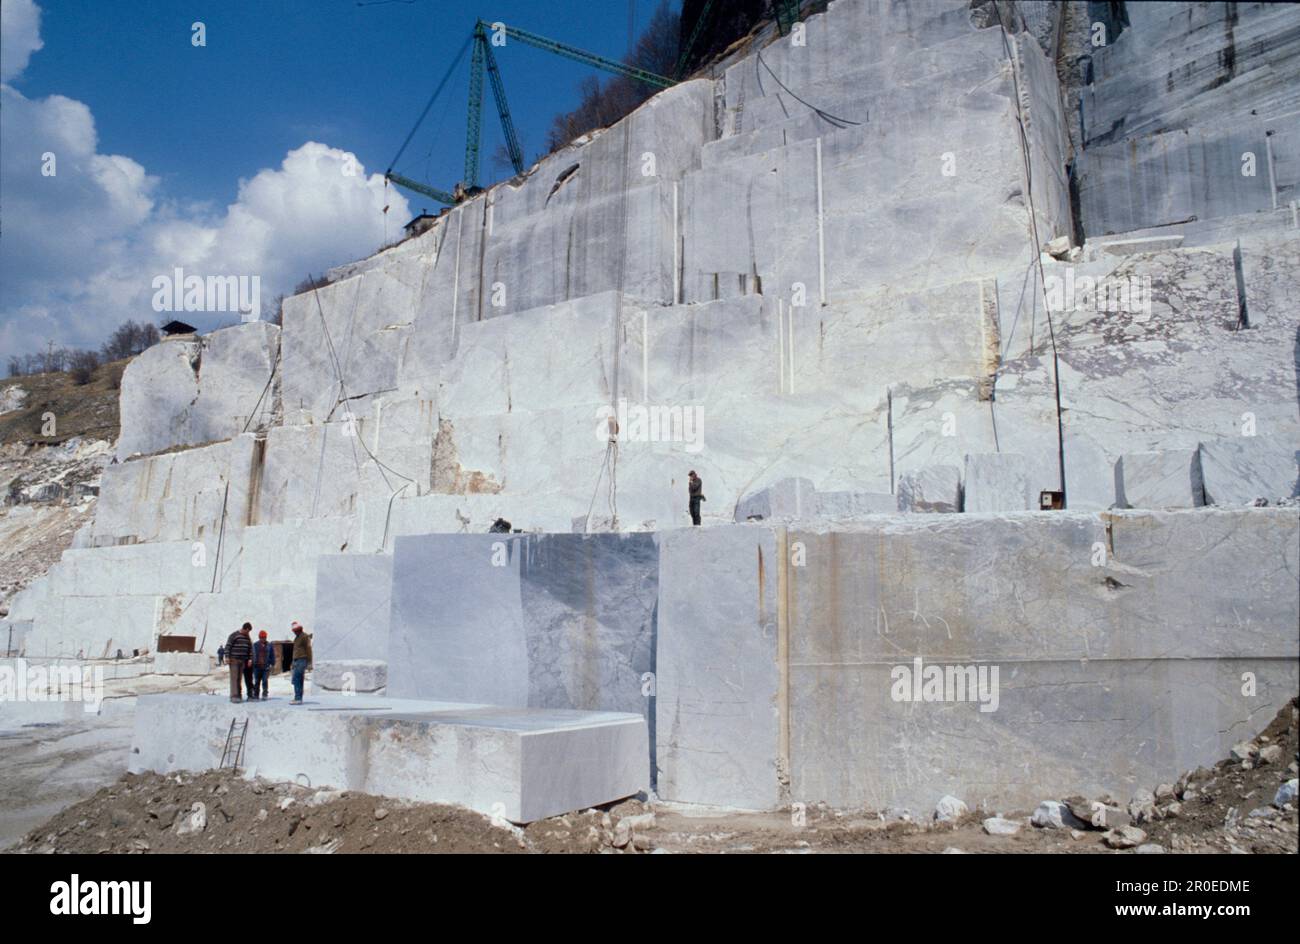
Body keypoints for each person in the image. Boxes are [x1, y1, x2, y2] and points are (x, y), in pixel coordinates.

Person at [224, 623, 254, 703]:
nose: (248, 633)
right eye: (247, 631)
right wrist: (227, 656)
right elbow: (228, 646)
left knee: (239, 678)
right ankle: (234, 696)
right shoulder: (234, 635)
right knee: (234, 678)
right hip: (234, 660)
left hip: (243, 660)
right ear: (244, 629)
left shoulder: (247, 638)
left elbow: (250, 649)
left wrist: (250, 659)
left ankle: (239, 695)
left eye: (249, 632)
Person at [289, 621, 313, 705]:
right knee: (296, 679)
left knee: (298, 679)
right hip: (296, 660)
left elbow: (308, 649)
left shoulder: (304, 637)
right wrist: (292, 662)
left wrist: (310, 662)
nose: (294, 632)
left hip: (302, 659)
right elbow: (295, 651)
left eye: (295, 630)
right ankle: (297, 697)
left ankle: (298, 698)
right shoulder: (297, 638)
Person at [251, 630, 274, 701]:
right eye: (261, 637)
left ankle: (265, 694)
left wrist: (272, 663)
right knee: (257, 681)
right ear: (259, 637)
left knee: (264, 681)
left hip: (265, 666)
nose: (263, 639)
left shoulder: (269, 645)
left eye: (264, 637)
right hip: (257, 667)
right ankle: (256, 695)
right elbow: (252, 655)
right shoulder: (255, 645)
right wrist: (252, 663)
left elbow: (272, 655)